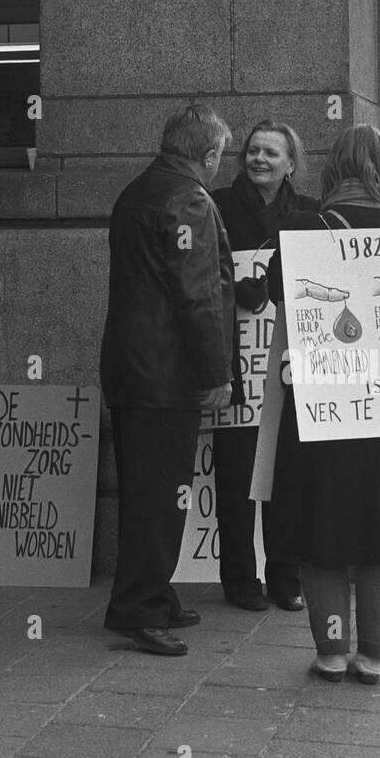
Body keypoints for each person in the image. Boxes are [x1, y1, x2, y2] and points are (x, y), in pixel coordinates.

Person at [264, 124, 380, 683]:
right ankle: (373, 655)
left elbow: (278, 294)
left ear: (331, 172)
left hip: (320, 401)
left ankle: (330, 653)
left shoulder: (298, 229)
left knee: (317, 527)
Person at [99, 104, 236, 657]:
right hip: (165, 373)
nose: (220, 168)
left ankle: (153, 594)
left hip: (133, 366)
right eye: (220, 157)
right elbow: (199, 294)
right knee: (160, 495)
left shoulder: (138, 189)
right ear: (207, 154)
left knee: (147, 489)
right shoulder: (188, 198)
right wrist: (216, 373)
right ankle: (138, 607)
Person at [209, 120, 318, 613]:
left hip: (288, 366)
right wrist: (236, 289)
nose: (259, 159)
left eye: (271, 153)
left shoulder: (313, 214)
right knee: (234, 475)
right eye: (252, 151)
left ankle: (285, 577)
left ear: (290, 163)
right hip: (237, 365)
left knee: (287, 477)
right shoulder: (215, 206)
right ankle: (239, 579)